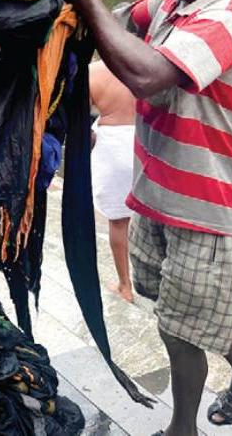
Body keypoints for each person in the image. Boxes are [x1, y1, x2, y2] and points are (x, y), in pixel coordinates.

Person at [62, 0, 232, 432]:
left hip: (207, 199)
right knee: (167, 301)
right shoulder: (170, 3)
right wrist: (80, 0)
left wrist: (88, 2)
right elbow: (119, 22)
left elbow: (146, 74)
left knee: (181, 328)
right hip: (159, 187)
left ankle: (181, 427)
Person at [89, 59, 137, 302]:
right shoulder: (150, 62)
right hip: (147, 139)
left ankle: (125, 285)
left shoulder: (93, 71)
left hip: (113, 146)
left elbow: (76, 121)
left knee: (118, 222)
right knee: (158, 220)